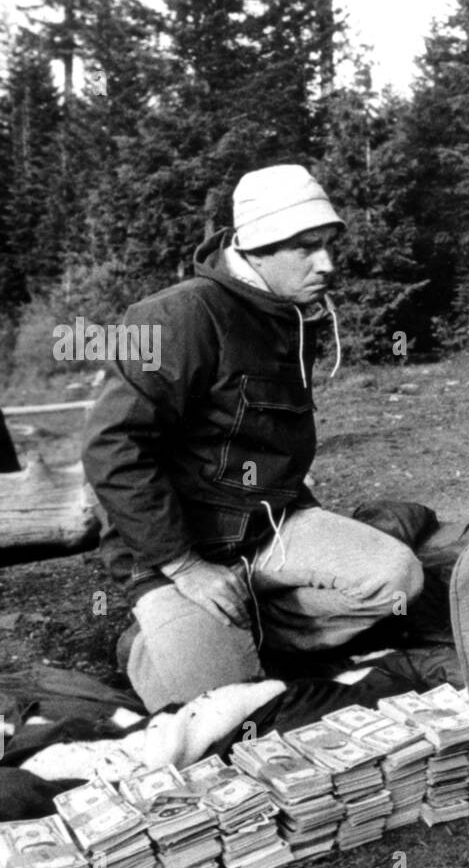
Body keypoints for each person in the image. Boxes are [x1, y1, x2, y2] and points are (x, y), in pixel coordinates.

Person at [83, 164, 423, 712]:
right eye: (307, 248)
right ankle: (156, 640)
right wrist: (186, 568)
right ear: (258, 248)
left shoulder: (288, 314)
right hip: (178, 550)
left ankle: (251, 628)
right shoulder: (176, 316)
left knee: (397, 579)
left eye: (330, 245)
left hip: (267, 528)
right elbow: (111, 449)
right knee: (221, 709)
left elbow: (272, 440)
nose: (328, 264)